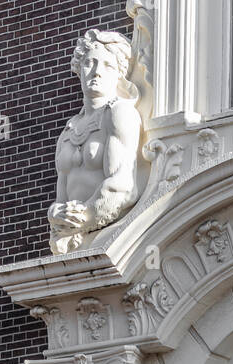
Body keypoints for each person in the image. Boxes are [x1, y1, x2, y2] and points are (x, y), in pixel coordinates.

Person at [49, 30, 143, 254]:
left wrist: (82, 219)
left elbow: (123, 185)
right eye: (89, 63)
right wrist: (55, 214)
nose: (97, 72)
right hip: (69, 238)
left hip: (104, 236)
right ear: (79, 70)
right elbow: (61, 194)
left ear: (119, 73)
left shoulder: (119, 113)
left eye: (107, 66)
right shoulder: (69, 128)